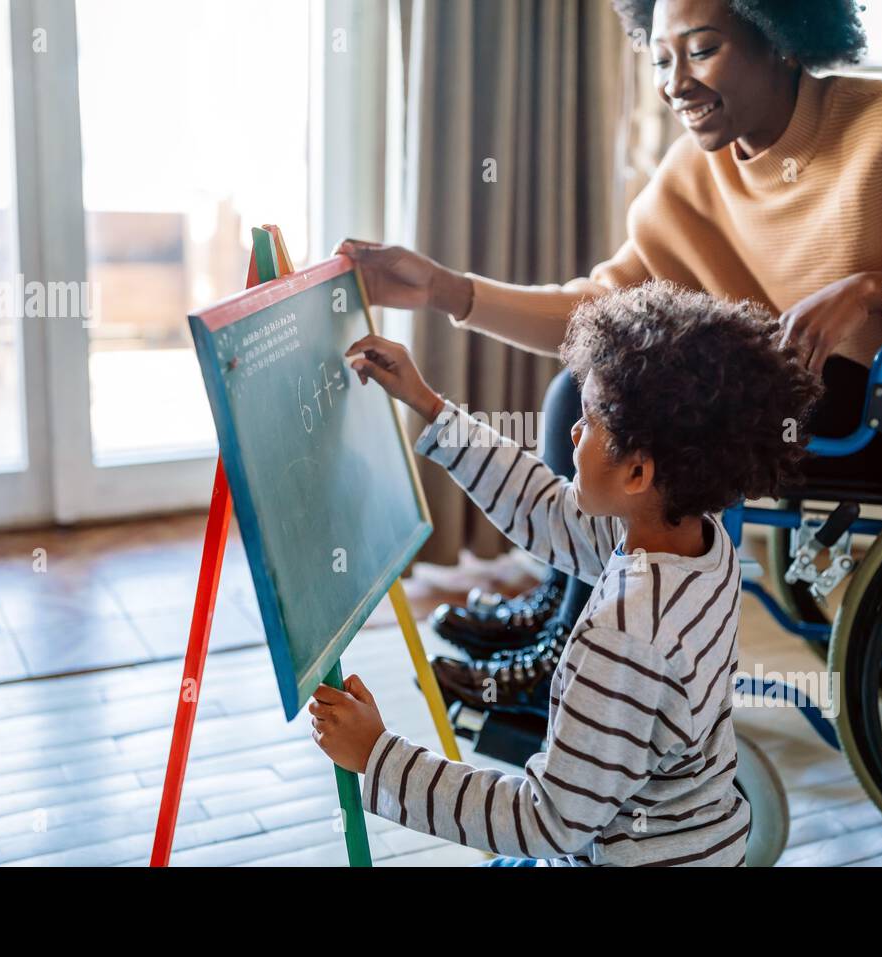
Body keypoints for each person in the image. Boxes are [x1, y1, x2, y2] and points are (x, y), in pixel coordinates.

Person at [335, 0, 882, 684]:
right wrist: (443, 290)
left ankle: (570, 635)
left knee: (630, 400)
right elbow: (594, 310)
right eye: (662, 58)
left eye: (701, 50)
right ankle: (566, 613)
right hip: (808, 397)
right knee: (594, 377)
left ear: (782, 39)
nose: (675, 82)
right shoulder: (696, 172)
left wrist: (879, 289)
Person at [308, 281, 821, 866]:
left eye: (590, 419)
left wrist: (377, 756)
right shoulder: (695, 541)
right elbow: (548, 511)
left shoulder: (626, 636)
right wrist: (429, 405)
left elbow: (546, 822)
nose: (573, 432)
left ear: (636, 474)